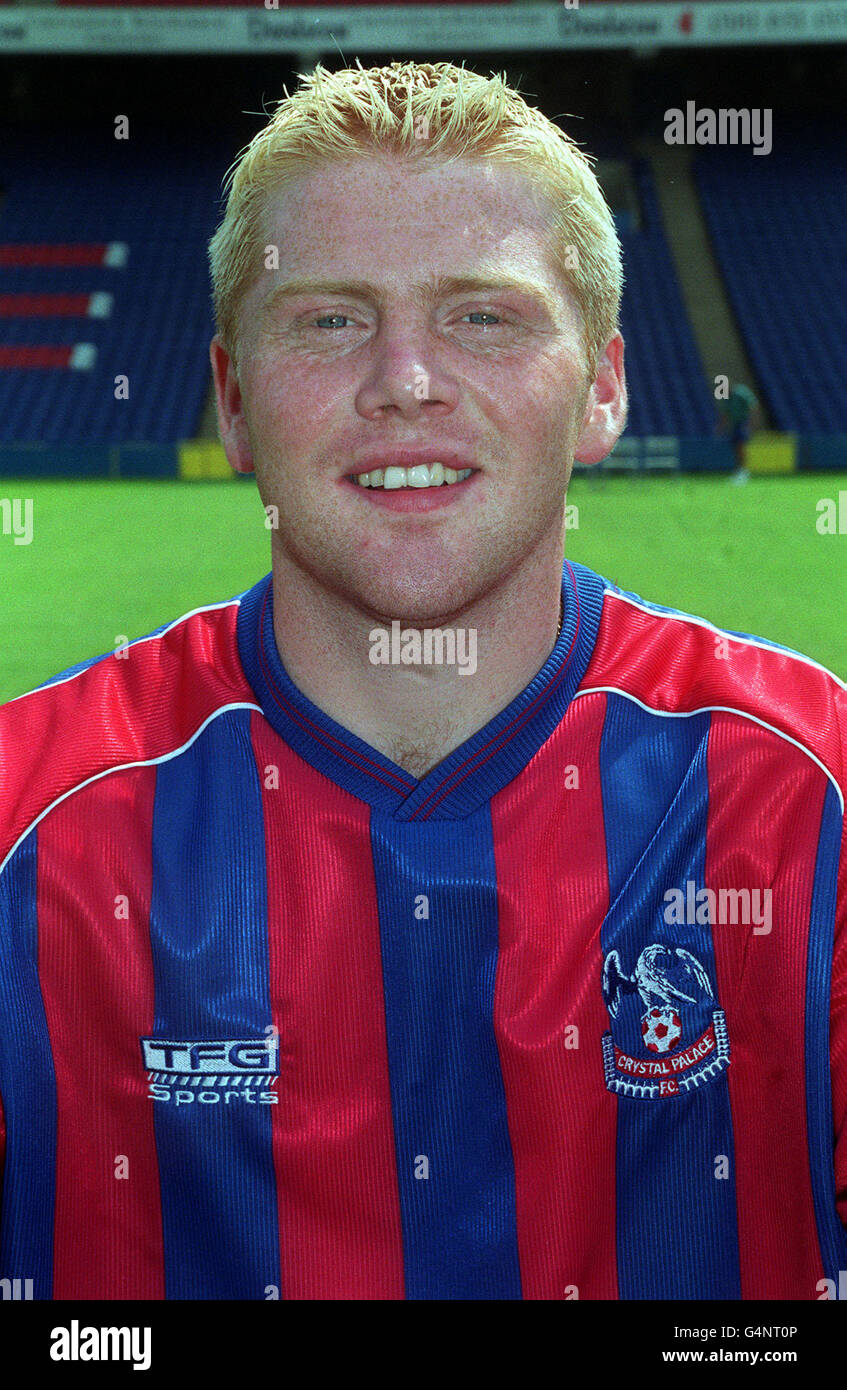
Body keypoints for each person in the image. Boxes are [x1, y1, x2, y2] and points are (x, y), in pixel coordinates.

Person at [1, 60, 845, 1302]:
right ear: (232, 401)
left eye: (482, 316)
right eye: (330, 319)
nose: (405, 380)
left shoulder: (807, 805)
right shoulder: (31, 825)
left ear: (605, 386)